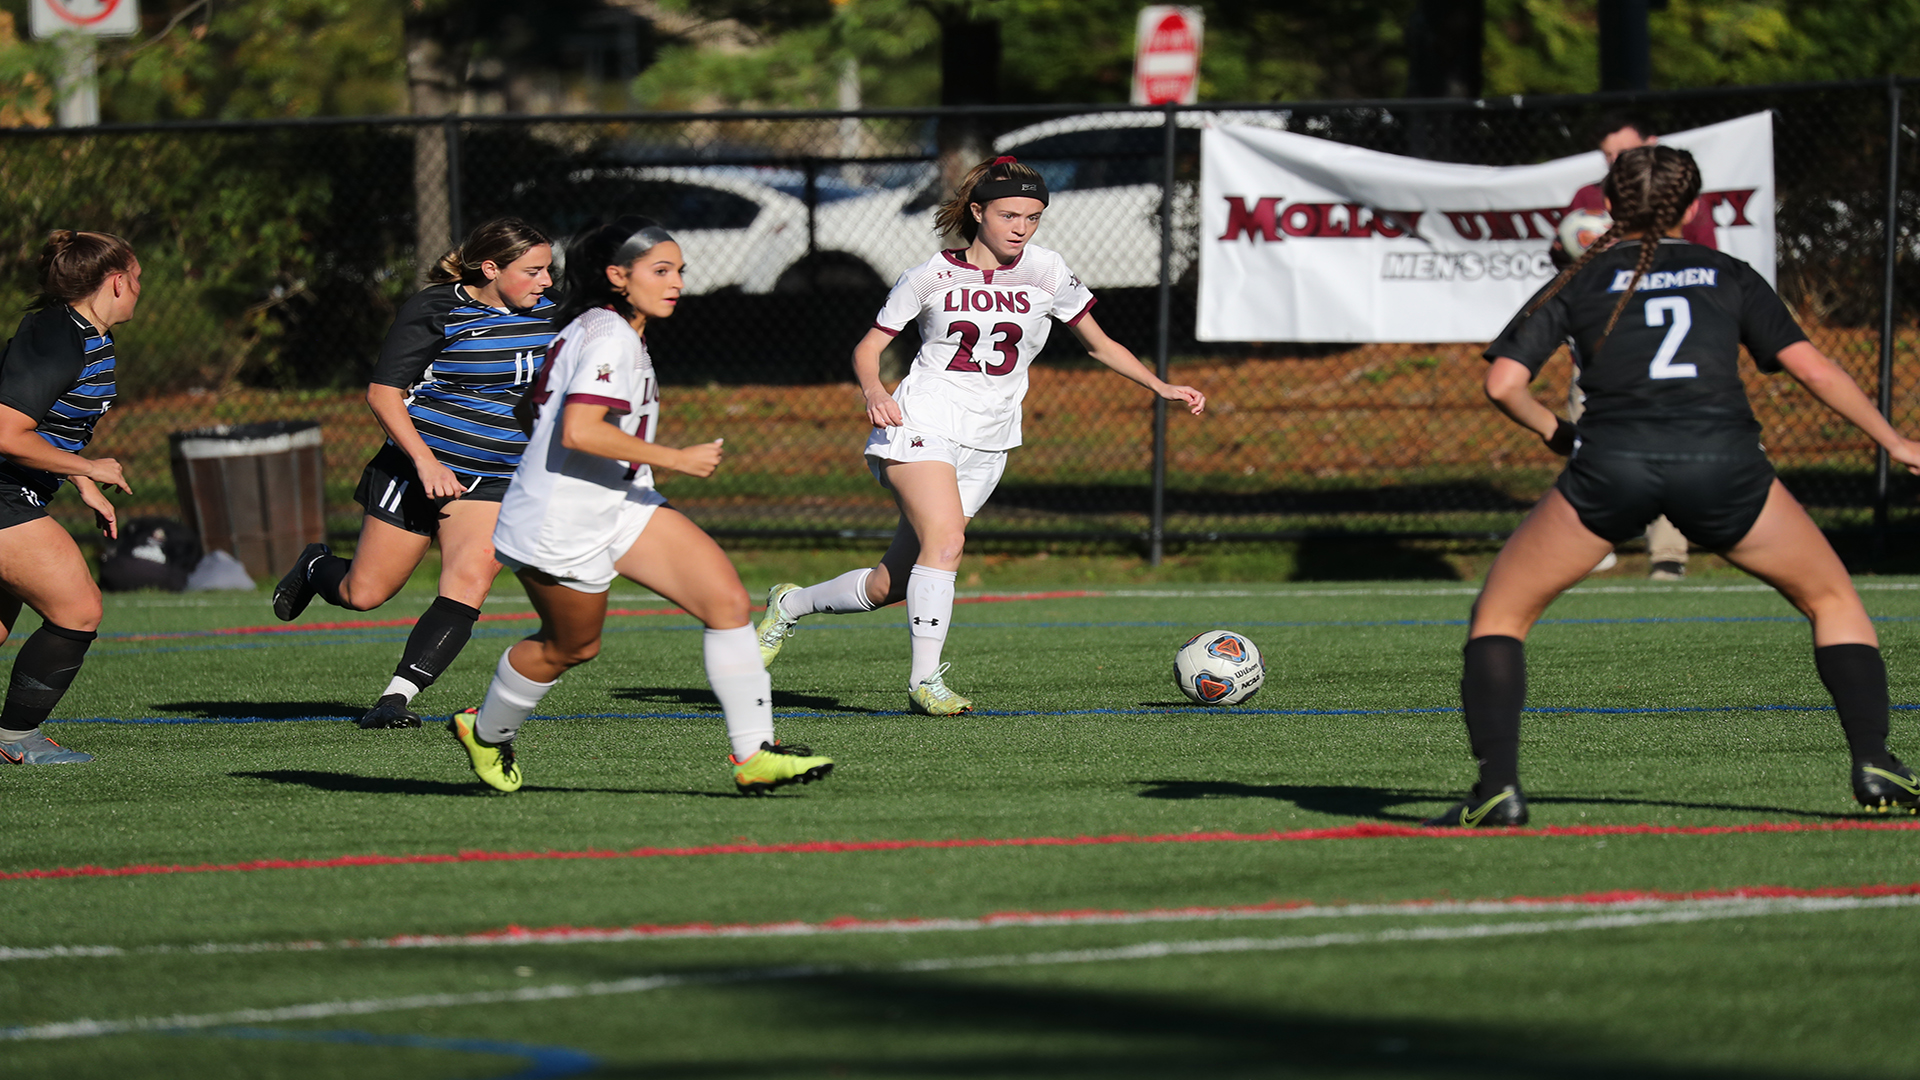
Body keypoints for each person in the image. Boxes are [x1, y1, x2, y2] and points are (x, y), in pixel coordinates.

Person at [1427, 145, 1920, 828]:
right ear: (1692, 208)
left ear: (1608, 205)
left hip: (1612, 467)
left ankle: (1496, 788)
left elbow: (1502, 384)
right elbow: (1816, 371)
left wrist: (1557, 434)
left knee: (1501, 618)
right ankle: (1875, 761)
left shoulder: (1579, 278)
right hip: (1723, 467)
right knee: (1832, 598)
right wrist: (1893, 441)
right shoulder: (1727, 272)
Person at [752, 155, 1207, 714]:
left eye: (1034, 216)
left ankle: (789, 605)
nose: (1023, 227)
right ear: (977, 212)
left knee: (890, 584)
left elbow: (1098, 342)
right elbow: (867, 347)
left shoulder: (1047, 271)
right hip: (923, 421)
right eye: (1011, 214)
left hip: (991, 437)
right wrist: (874, 391)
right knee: (946, 542)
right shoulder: (929, 276)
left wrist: (1158, 384)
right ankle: (925, 683)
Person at [447, 217, 834, 796]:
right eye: (661, 270)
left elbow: (535, 409)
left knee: (727, 601)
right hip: (560, 522)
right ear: (616, 276)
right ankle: (487, 730)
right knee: (571, 646)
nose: (676, 281)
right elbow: (578, 429)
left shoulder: (602, 326)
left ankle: (755, 755)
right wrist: (672, 457)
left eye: (679, 270)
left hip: (622, 500)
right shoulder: (609, 336)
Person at [271, 218, 557, 729]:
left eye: (549, 270)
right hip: (415, 468)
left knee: (471, 577)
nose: (547, 282)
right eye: (533, 270)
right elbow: (383, 394)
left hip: (493, 477)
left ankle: (393, 699)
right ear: (491, 268)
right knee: (365, 594)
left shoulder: (556, 314)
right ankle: (315, 567)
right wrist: (426, 462)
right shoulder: (436, 309)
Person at [0, 231, 139, 765]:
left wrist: (84, 486)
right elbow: (10, 433)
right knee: (78, 608)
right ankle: (15, 737)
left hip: (17, 491)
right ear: (118, 281)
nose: (140, 289)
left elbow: (53, 425)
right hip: (4, 493)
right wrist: (89, 466)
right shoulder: (60, 337)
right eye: (139, 278)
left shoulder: (86, 334)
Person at [1558, 112, 1713, 581]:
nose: (1613, 162)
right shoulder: (1588, 199)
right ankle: (1590, 541)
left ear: (1651, 144)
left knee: (1668, 446)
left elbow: (1704, 263)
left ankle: (1668, 552)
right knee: (1590, 442)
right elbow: (1563, 262)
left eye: (1622, 152)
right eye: (1607, 155)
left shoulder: (1684, 207)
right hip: (1604, 354)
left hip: (1665, 364)